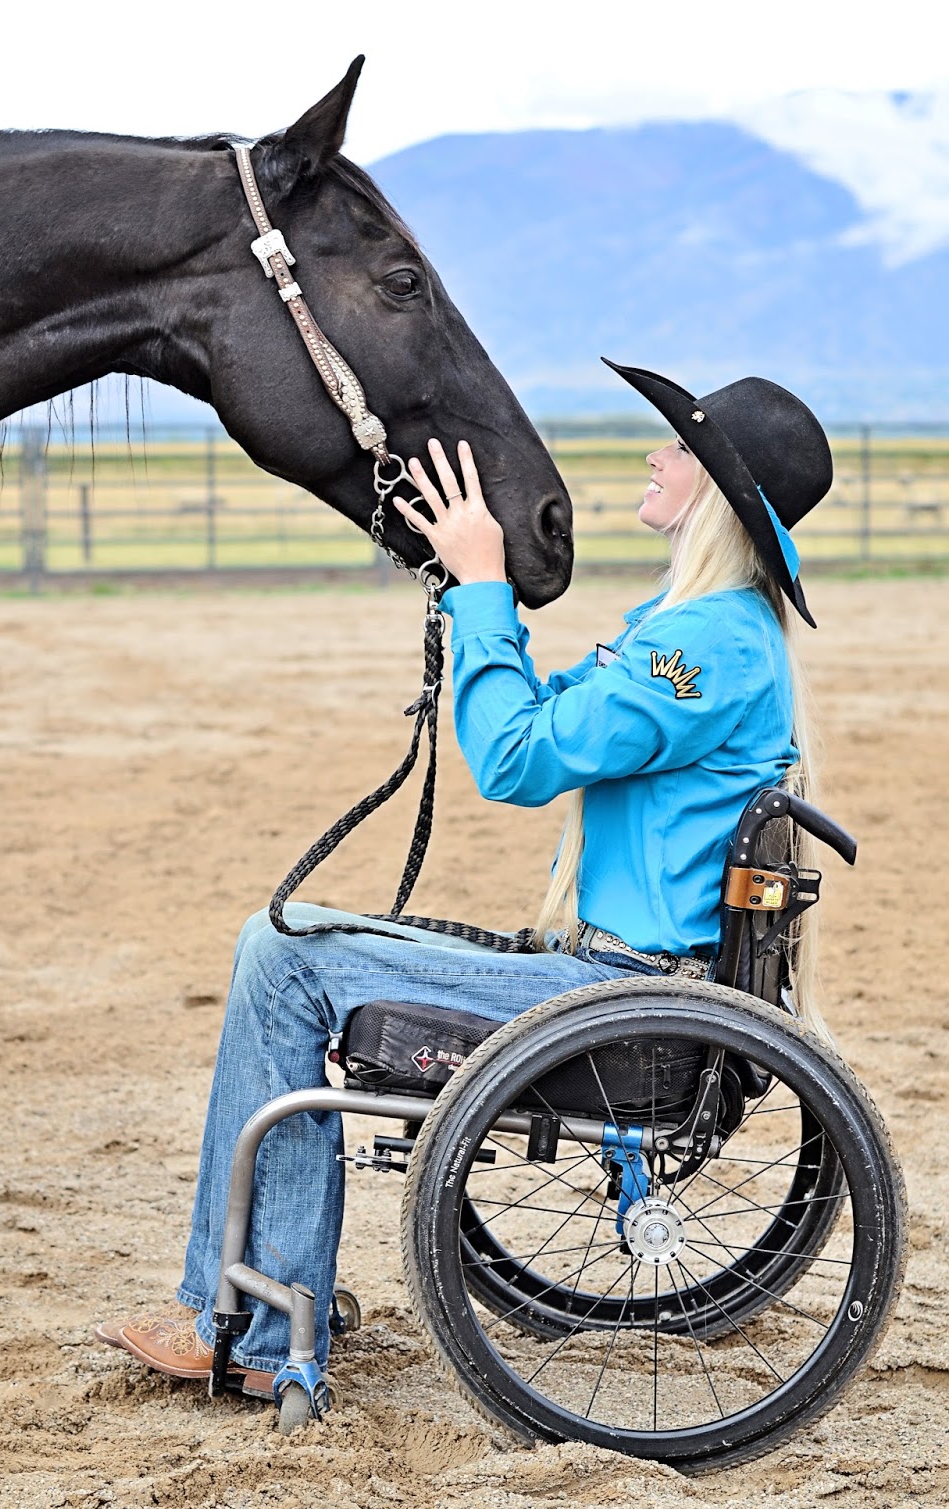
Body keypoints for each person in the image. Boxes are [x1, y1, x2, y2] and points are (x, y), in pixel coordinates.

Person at [95, 360, 833, 1391]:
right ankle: (265, 1300)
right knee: (289, 943)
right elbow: (539, 716)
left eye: (678, 445)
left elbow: (515, 759)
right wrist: (471, 593)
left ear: (713, 486)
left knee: (282, 955)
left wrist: (486, 584)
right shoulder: (698, 631)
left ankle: (257, 1333)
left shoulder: (706, 645)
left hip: (617, 992)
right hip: (613, 976)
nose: (656, 454)